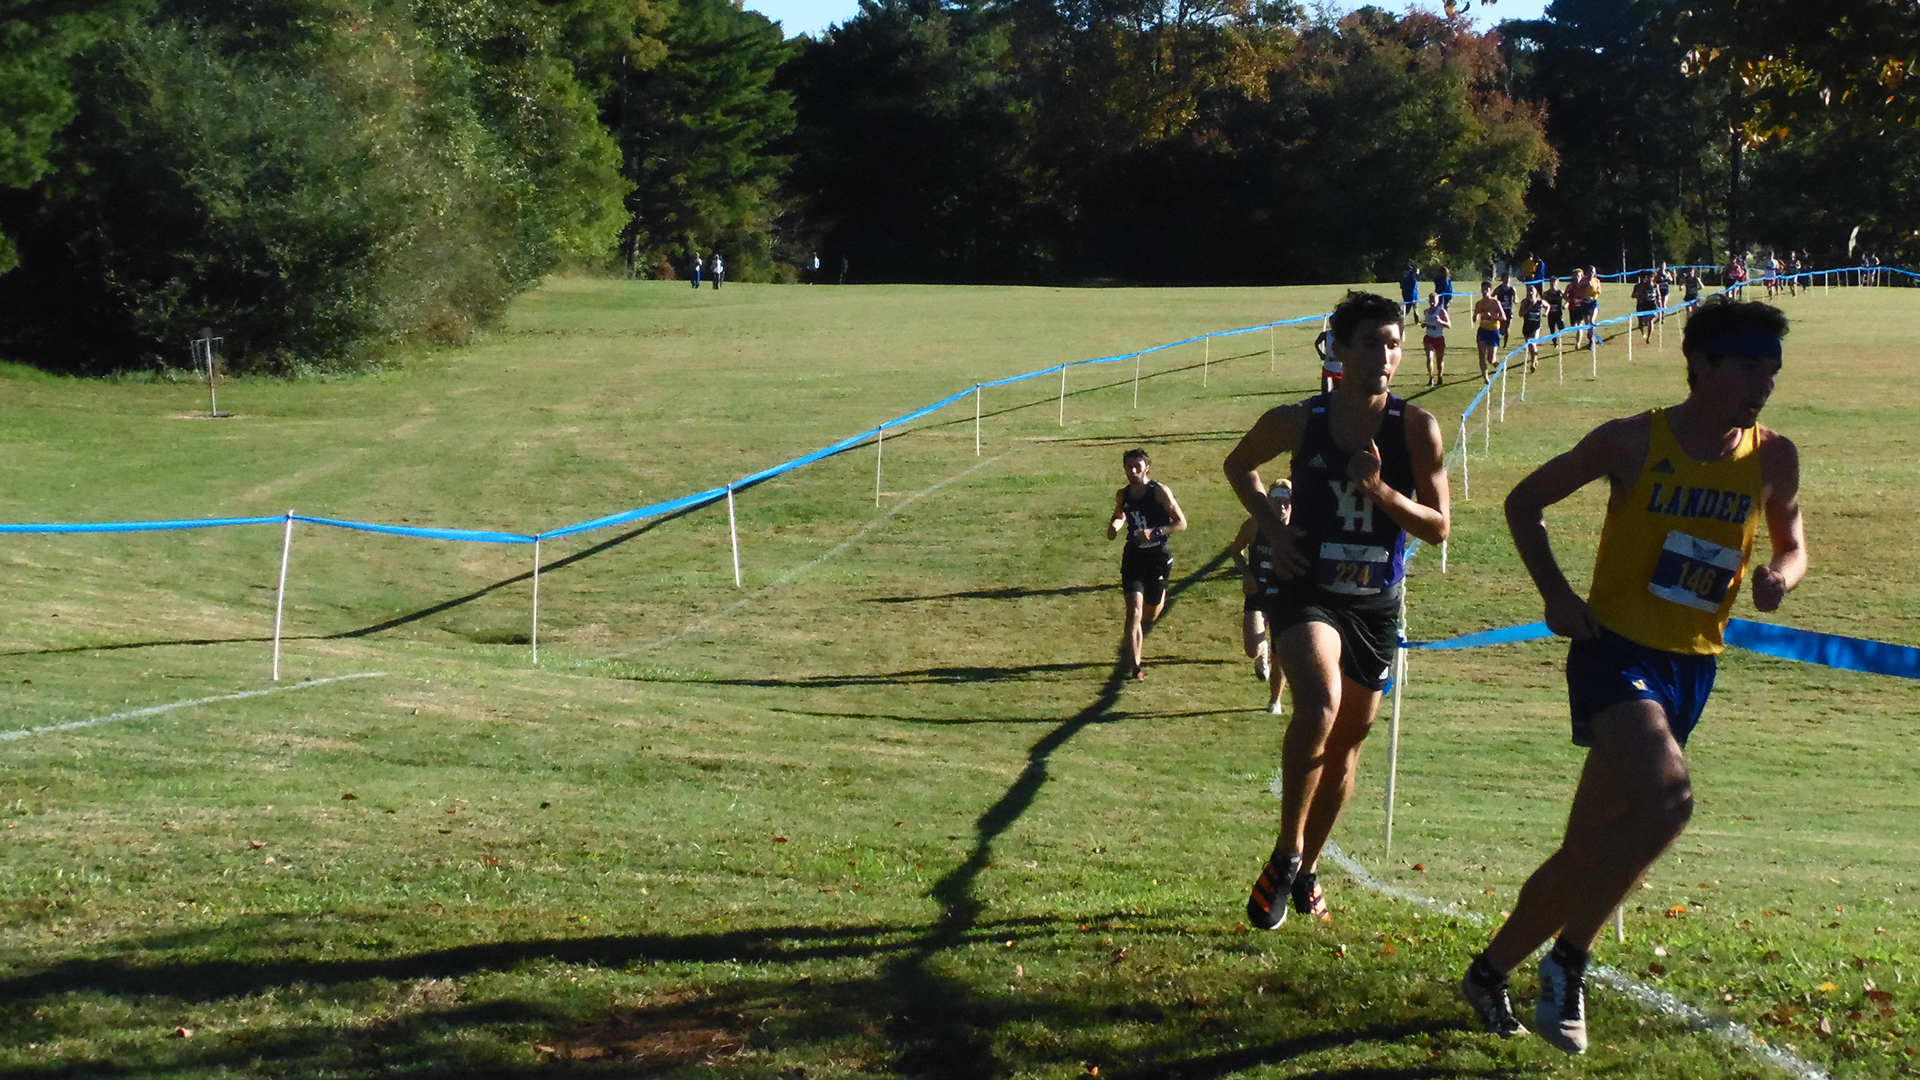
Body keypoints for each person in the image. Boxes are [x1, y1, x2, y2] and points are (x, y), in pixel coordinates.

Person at [1458, 297, 1805, 1053]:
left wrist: (1780, 574)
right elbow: (1525, 502)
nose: (1763, 384)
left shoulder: (1774, 456)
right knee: (1669, 800)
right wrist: (1555, 595)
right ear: (1703, 365)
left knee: (1587, 850)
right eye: (1749, 365)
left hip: (1692, 666)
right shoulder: (1630, 442)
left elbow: (1793, 543)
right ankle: (1569, 963)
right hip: (1614, 653)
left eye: (1771, 371)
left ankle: (1488, 971)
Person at [1224, 291, 1450, 930]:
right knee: (1319, 705)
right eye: (1374, 342)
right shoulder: (1300, 420)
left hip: (1376, 601)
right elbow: (1239, 465)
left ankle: (1310, 865)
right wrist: (1272, 528)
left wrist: (1377, 489)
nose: (1387, 354)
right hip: (1308, 591)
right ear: (1340, 349)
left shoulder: (1416, 428)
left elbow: (1437, 527)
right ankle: (1287, 853)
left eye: (1395, 342)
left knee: (1349, 743)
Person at [1107, 448, 1188, 680]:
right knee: (1133, 611)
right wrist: (1115, 526)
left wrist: (1155, 532)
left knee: (1150, 614)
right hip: (1133, 556)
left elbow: (1181, 523)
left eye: (1137, 467)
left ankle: (1136, 637)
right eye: (1129, 467)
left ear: (1146, 468)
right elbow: (1120, 514)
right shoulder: (1123, 494)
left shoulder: (1159, 492)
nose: (1133, 472)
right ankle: (1136, 665)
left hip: (1158, 558)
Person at [1226, 480, 1295, 713]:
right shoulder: (1255, 525)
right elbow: (1235, 550)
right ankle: (1261, 653)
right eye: (1277, 503)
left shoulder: (1299, 529)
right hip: (1258, 590)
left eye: (1287, 503)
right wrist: (1246, 574)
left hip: (1285, 596)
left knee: (1281, 652)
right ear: (1269, 502)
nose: (1282, 508)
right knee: (1252, 648)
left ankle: (1275, 700)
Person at [1472, 280, 1504, 382]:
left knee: (1490, 359)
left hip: (1493, 331)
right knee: (1482, 355)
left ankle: (1495, 363)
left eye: (1487, 289)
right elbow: (1475, 316)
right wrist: (1476, 317)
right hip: (1482, 330)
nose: (1484, 291)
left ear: (1490, 291)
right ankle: (1486, 378)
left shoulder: (1495, 302)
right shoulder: (1479, 304)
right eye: (1483, 289)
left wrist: (1492, 317)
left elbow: (1504, 317)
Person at [1421, 293, 1451, 386]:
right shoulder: (1426, 311)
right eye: (1430, 300)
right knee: (1429, 358)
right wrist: (1424, 324)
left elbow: (1449, 325)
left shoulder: (1441, 311)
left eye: (1434, 300)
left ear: (1438, 300)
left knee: (1439, 360)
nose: (1432, 302)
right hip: (1429, 337)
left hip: (1438, 337)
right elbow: (1424, 323)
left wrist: (1440, 321)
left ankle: (1440, 377)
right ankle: (1431, 378)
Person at [1518, 283, 1545, 373]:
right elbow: (1520, 314)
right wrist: (1529, 307)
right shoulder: (1525, 302)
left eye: (1532, 291)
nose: (1530, 293)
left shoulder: (1540, 302)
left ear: (1536, 293)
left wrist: (1546, 312)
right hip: (1527, 327)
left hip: (1536, 326)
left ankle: (1533, 363)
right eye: (1528, 291)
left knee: (1533, 344)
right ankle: (1535, 358)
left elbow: (1547, 306)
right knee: (1530, 347)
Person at [1632, 271, 1657, 344]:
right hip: (1641, 305)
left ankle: (1648, 338)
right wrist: (1640, 297)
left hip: (1651, 305)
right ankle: (1643, 333)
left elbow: (1657, 295)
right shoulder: (1639, 286)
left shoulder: (1655, 285)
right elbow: (1634, 295)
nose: (1644, 279)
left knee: (1650, 321)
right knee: (1641, 323)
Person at [1494, 273, 1518, 346]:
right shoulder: (1499, 289)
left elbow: (1516, 297)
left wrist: (1516, 300)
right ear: (1503, 279)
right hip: (1500, 311)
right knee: (1501, 329)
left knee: (1507, 328)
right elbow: (1492, 295)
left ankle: (1505, 344)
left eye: (1508, 278)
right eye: (1505, 278)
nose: (1507, 280)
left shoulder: (1512, 289)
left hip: (1508, 311)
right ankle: (1498, 340)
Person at [1543, 276, 1565, 340]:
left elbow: (1567, 299)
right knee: (1552, 329)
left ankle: (1560, 339)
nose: (1553, 285)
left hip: (1559, 313)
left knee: (1561, 328)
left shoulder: (1560, 292)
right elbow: (1543, 302)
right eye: (1551, 283)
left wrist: (1566, 305)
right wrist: (1546, 310)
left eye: (1554, 283)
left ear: (1557, 283)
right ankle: (1555, 342)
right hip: (1551, 313)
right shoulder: (1546, 293)